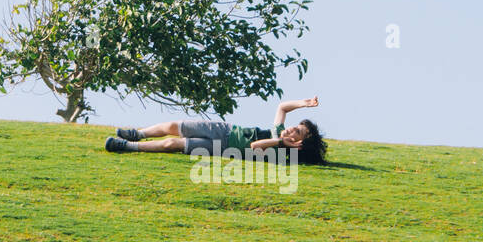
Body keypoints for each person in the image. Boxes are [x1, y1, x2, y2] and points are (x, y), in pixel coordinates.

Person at [105, 97, 326, 164]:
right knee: (175, 127)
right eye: (296, 126)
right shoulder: (278, 131)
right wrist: (304, 104)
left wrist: (279, 142)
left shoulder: (278, 153)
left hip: (222, 148)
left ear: (298, 144)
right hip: (225, 130)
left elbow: (254, 146)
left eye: (297, 132)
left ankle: (126, 146)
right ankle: (138, 134)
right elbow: (282, 107)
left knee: (172, 144)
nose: (291, 129)